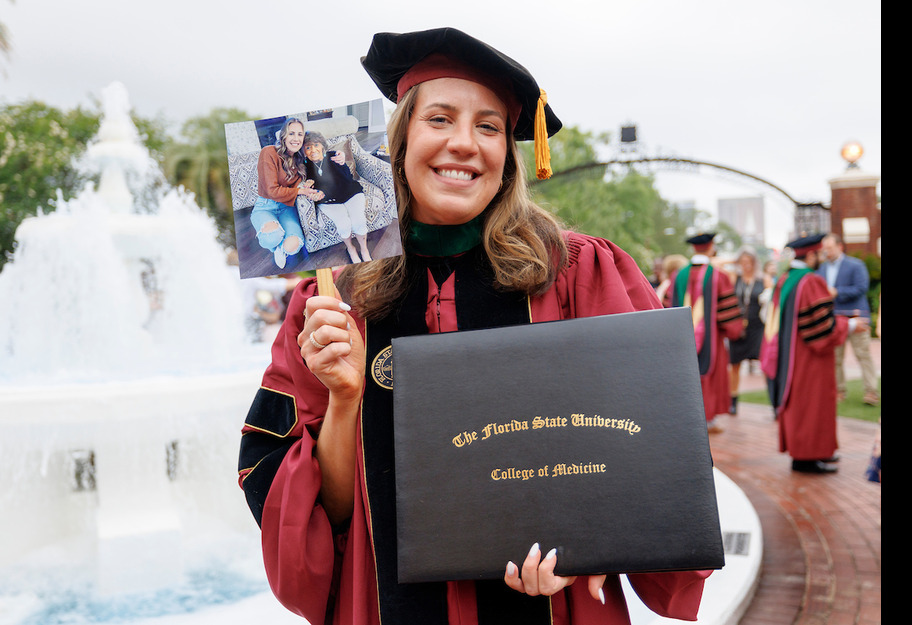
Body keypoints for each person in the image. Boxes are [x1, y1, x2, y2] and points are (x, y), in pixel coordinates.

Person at [238, 27, 711, 625]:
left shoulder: (576, 273)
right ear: (401, 138)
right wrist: (343, 397)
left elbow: (653, 448)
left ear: (507, 153)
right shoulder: (334, 298)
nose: (464, 144)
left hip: (546, 605)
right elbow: (322, 517)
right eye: (439, 119)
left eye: (488, 126)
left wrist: (599, 543)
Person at [759, 234, 869, 473]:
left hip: (791, 354)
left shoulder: (785, 279)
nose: (822, 257)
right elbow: (821, 331)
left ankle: (817, 452)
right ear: (810, 255)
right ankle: (807, 459)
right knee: (812, 406)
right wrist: (848, 325)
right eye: (819, 253)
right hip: (809, 360)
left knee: (802, 406)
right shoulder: (810, 281)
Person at [663, 233, 744, 433]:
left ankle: (689, 417)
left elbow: (666, 305)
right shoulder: (719, 276)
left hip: (681, 338)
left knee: (687, 373)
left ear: (694, 249)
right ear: (711, 248)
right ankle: (708, 420)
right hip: (712, 339)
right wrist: (734, 330)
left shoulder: (678, 275)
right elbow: (729, 315)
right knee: (709, 372)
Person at [252, 117, 322, 269]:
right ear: (283, 136)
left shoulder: (300, 159)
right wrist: (300, 190)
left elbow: (318, 164)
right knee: (273, 237)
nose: (296, 139)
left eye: (300, 134)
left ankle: (281, 248)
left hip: (287, 207)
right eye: (292, 134)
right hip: (266, 205)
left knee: (294, 244)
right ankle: (275, 239)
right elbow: (271, 190)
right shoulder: (268, 152)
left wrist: (338, 156)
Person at [817, 233, 878, 405]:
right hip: (835, 319)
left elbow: (861, 287)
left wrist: (838, 292)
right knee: (835, 358)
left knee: (863, 355)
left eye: (829, 248)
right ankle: (839, 391)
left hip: (856, 316)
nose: (826, 252)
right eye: (825, 249)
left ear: (840, 247)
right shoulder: (821, 269)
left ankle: (871, 392)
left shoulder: (855, 265)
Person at [303, 131, 374, 263]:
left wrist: (342, 162)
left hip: (350, 193)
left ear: (322, 146)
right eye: (308, 147)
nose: (313, 150)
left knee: (359, 221)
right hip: (328, 201)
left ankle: (364, 249)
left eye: (316, 145)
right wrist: (312, 189)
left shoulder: (335, 156)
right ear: (303, 151)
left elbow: (347, 178)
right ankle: (351, 248)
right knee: (344, 224)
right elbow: (309, 185)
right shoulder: (304, 166)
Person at [727, 247, 768, 414]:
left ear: (754, 262)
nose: (746, 265)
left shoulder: (762, 279)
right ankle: (733, 402)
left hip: (757, 327)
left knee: (764, 363)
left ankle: (774, 400)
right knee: (735, 365)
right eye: (743, 262)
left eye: (749, 262)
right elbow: (714, 264)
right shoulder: (734, 278)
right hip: (738, 327)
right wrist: (733, 261)